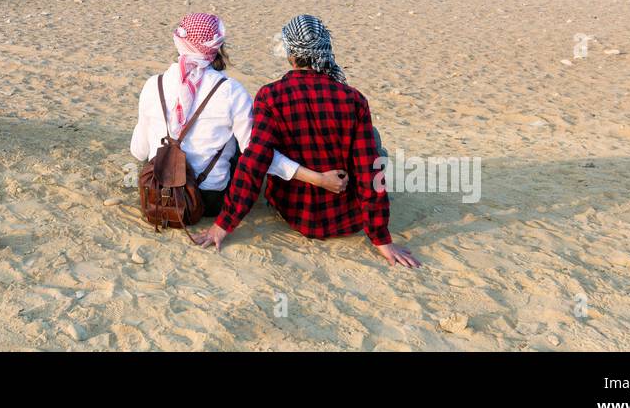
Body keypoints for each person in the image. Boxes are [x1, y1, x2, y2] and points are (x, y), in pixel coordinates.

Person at [191, 15, 420, 268]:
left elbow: (254, 163)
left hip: (294, 213)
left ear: (290, 54)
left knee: (260, 147)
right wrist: (381, 239)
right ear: (326, 51)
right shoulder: (353, 99)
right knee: (373, 144)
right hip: (345, 218)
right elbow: (369, 171)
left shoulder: (271, 96)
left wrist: (223, 225)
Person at [132, 13, 348, 217]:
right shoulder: (231, 90)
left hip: (158, 191)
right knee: (238, 140)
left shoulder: (153, 85)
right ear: (218, 47)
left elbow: (138, 151)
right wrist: (317, 178)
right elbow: (256, 153)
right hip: (208, 200)